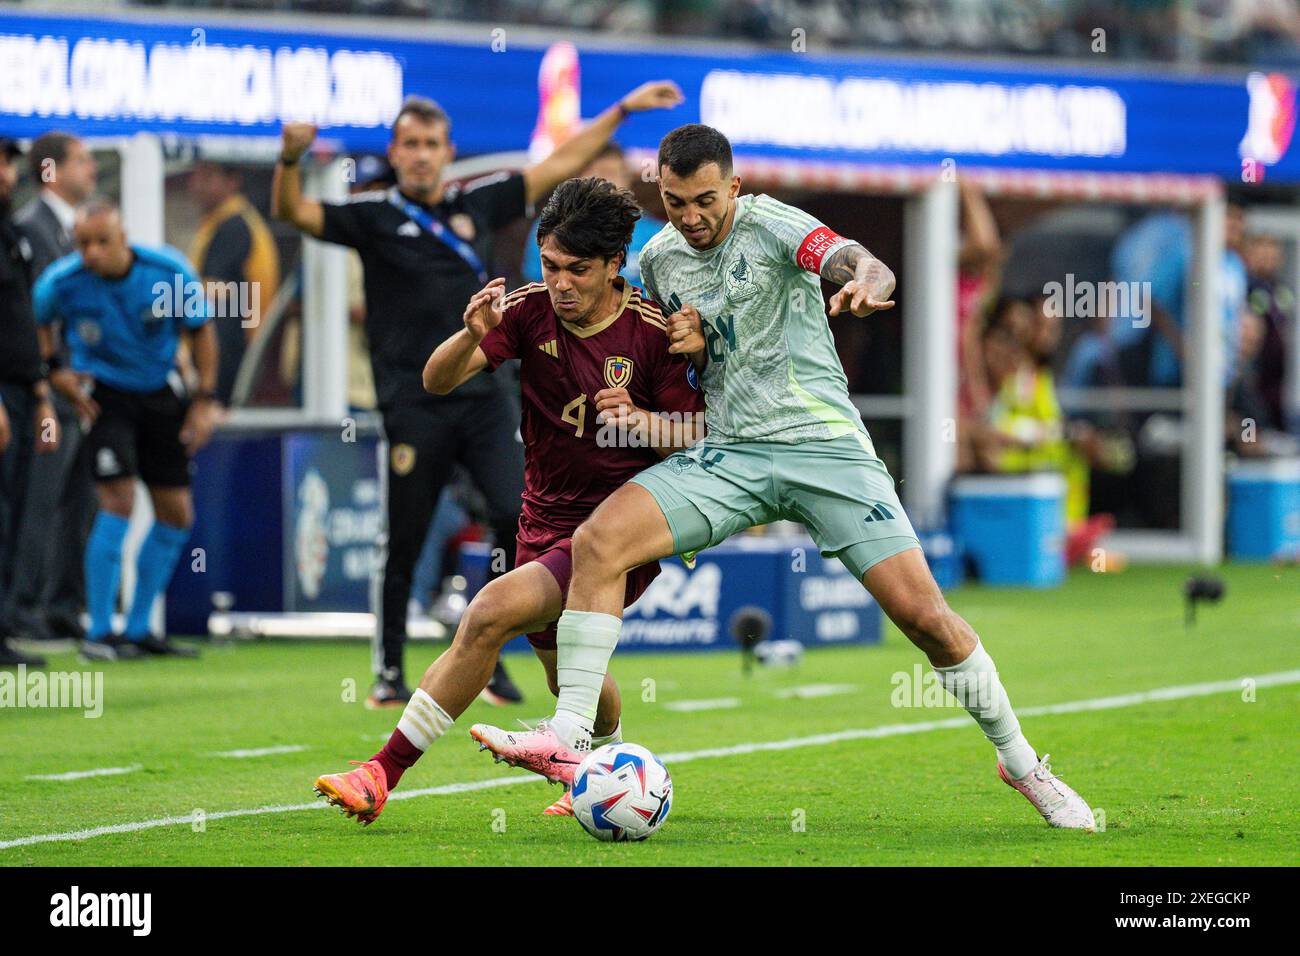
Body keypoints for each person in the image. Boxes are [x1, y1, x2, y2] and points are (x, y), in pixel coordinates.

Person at [472, 124, 1097, 831]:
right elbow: (636, 332)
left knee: (928, 621)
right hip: (731, 451)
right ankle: (572, 738)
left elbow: (858, 261)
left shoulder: (772, 223)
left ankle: (1023, 765)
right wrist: (680, 353)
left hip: (823, 449)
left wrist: (866, 280)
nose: (692, 217)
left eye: (706, 199)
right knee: (599, 541)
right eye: (676, 202)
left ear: (733, 186)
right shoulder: (658, 259)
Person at [271, 81, 684, 709]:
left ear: (447, 150)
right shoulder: (373, 215)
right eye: (409, 144)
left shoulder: (480, 201)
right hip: (413, 398)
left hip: (486, 396)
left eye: (431, 144)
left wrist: (622, 110)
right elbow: (295, 213)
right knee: (405, 532)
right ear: (394, 150)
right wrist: (291, 160)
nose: (420, 155)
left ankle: (489, 647)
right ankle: (387, 667)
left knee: (506, 508)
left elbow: (561, 166)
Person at [311, 176, 705, 823]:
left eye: (578, 270)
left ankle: (379, 773)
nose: (561, 283)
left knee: (488, 613)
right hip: (540, 524)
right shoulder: (526, 312)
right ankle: (600, 769)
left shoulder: (652, 334)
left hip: (616, 535)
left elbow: (695, 439)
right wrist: (470, 336)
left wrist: (641, 421)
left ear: (615, 265)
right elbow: (436, 381)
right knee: (575, 687)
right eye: (550, 265)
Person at [32, 201, 221, 661]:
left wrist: (203, 402)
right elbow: (38, 323)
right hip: (104, 396)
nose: (91, 253)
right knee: (118, 501)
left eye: (102, 242)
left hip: (161, 393)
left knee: (176, 513)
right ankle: (99, 630)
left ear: (124, 239)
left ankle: (138, 627)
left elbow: (201, 331)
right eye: (83, 244)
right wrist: (55, 370)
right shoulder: (62, 282)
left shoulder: (167, 271)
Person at [10, 131, 98, 644]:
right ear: (52, 170)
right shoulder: (30, 230)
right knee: (37, 505)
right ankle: (23, 610)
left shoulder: (75, 232)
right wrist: (49, 377)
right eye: (82, 161)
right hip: (47, 392)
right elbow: (31, 318)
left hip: (82, 396)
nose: (91, 169)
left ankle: (63, 608)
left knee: (77, 506)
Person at [0, 136, 59, 669]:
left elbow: (22, 326)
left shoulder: (11, 234)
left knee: (13, 511)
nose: (8, 173)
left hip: (21, 393)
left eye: (9, 163)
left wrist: (40, 394)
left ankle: (2, 629)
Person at [187, 160, 281, 406]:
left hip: (228, 352)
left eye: (207, 177)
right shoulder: (222, 222)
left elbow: (216, 297)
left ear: (232, 182)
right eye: (196, 176)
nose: (196, 184)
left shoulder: (234, 226)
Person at [520, 142, 664, 288]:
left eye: (609, 173)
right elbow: (536, 288)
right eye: (591, 172)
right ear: (574, 178)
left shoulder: (657, 236)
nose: (600, 182)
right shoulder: (549, 227)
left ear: (627, 179)